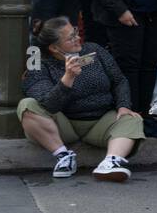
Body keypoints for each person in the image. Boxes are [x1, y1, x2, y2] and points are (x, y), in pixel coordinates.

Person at [18, 16, 144, 181]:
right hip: (63, 125)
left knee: (132, 118)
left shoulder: (94, 50)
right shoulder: (39, 64)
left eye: (75, 32)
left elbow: (119, 80)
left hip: (101, 121)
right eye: (70, 38)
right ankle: (63, 156)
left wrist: (123, 105)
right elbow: (48, 105)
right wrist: (67, 79)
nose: (78, 38)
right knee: (27, 105)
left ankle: (110, 162)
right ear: (54, 48)